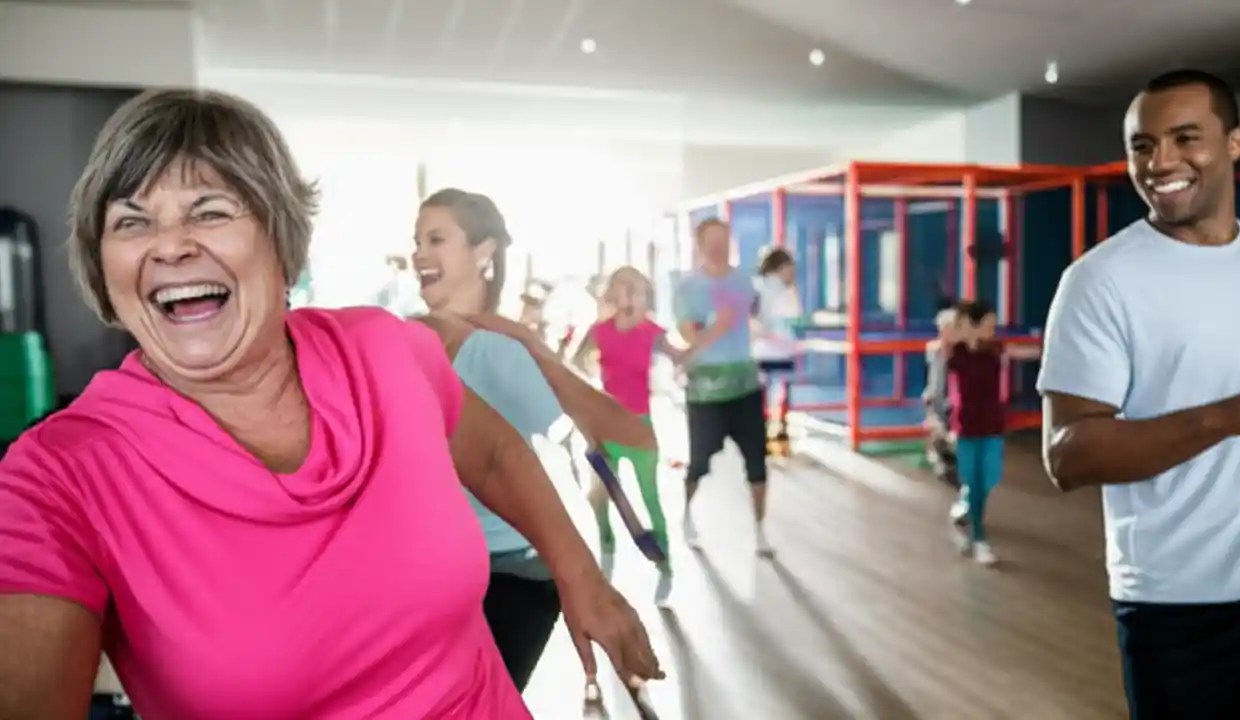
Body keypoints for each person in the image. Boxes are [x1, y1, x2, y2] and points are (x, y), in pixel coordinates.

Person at [0, 88, 661, 720]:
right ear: (103, 267)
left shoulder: (385, 353)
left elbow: (489, 453)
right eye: (131, 221)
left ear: (281, 241)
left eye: (210, 211)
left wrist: (581, 576)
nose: (170, 244)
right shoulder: (59, 476)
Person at [1038, 69, 1240, 718]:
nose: (1160, 162)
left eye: (1184, 138)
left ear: (1235, 144)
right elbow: (1070, 455)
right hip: (1179, 609)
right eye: (1143, 145)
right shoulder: (1099, 282)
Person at [410, 188, 657, 691]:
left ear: (483, 253)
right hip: (435, 569)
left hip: (510, 579)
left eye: (436, 239)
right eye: (416, 241)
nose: (419, 254)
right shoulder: (409, 336)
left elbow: (632, 436)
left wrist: (539, 352)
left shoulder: (500, 348)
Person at [571, 266, 729, 562]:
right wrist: (586, 398)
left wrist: (706, 337)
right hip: (605, 424)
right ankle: (606, 544)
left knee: (650, 495)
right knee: (600, 494)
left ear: (645, 296)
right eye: (623, 288)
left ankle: (664, 557)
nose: (629, 296)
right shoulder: (598, 331)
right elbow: (573, 364)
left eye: (637, 290)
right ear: (612, 294)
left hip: (640, 425)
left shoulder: (652, 332)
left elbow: (680, 356)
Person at [673, 218, 771, 556]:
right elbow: (690, 338)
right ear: (700, 245)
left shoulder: (744, 281)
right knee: (699, 461)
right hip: (706, 391)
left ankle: (759, 530)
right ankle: (686, 514)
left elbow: (755, 321)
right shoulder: (688, 288)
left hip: (745, 384)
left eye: (724, 239)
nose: (719, 246)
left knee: (757, 461)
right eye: (712, 240)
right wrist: (719, 325)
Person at [946, 300, 1040, 565]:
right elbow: (944, 336)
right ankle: (978, 538)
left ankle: (967, 503)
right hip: (966, 427)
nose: (993, 329)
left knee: (988, 479)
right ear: (972, 326)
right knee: (974, 480)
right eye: (987, 324)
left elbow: (1023, 353)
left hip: (992, 425)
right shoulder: (956, 353)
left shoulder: (996, 350)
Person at [752, 247, 802, 456]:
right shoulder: (783, 291)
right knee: (781, 391)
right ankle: (780, 431)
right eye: (789, 268)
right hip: (779, 349)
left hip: (761, 350)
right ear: (781, 268)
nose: (792, 273)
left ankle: (763, 436)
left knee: (763, 394)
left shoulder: (757, 287)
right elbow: (794, 317)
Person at [922, 302, 961, 494]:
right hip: (937, 399)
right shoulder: (934, 350)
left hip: (954, 403)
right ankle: (939, 458)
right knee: (937, 430)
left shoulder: (962, 353)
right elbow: (934, 377)